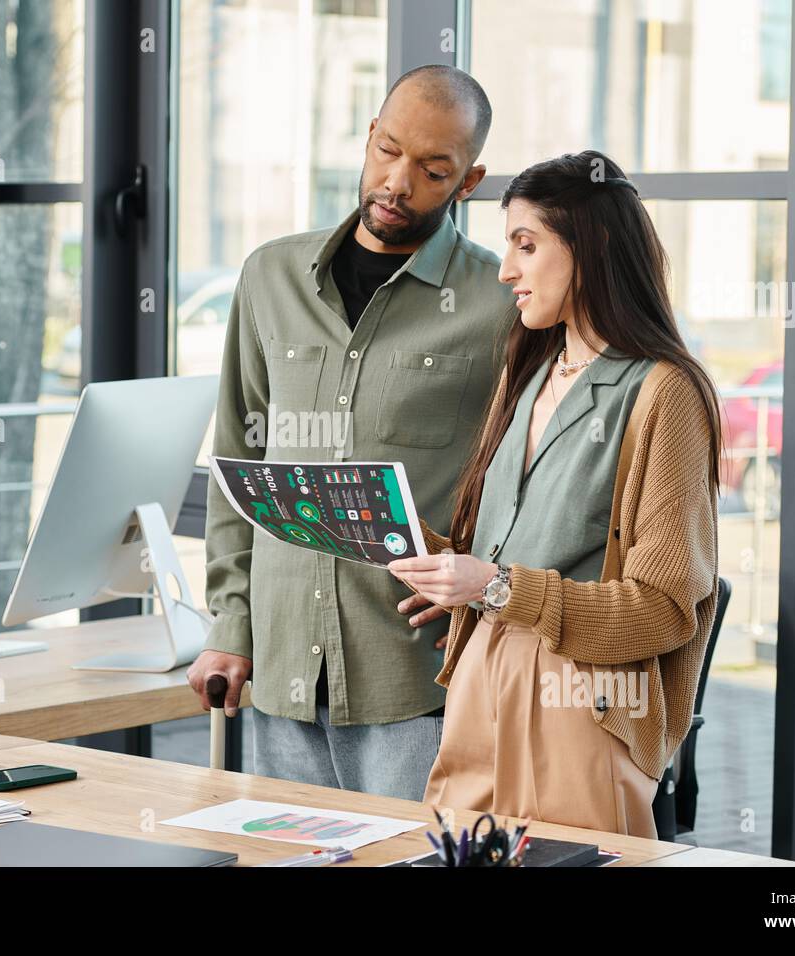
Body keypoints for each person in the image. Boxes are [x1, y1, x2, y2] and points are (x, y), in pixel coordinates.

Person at [187, 65, 518, 800]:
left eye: (434, 170)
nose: (398, 182)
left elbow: (526, 475)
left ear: (469, 181)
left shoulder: (499, 305)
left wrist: (489, 578)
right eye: (389, 151)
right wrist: (230, 625)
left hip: (413, 673)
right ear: (370, 136)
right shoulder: (269, 277)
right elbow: (238, 460)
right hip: (279, 667)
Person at [388, 150, 721, 837]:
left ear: (591, 248)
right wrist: (431, 556)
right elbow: (505, 559)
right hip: (480, 684)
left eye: (526, 245)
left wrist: (498, 586)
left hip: (580, 703)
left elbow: (662, 610)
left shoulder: (665, 394)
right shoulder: (528, 373)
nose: (506, 269)